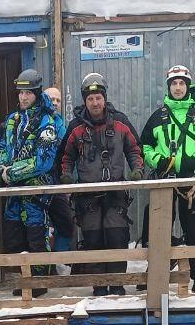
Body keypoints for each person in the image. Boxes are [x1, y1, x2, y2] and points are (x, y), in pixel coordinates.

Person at [139, 65, 195, 293]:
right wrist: (158, 161)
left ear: (188, 86)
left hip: (191, 180)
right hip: (164, 178)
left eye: (181, 83)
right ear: (169, 87)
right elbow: (144, 146)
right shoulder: (158, 116)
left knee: (192, 229)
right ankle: (156, 274)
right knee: (157, 228)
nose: (178, 88)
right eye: (174, 84)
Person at [59, 72, 144, 294]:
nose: (95, 102)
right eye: (90, 98)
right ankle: (98, 286)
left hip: (115, 194)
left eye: (98, 98)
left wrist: (137, 169)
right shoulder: (75, 127)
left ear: (104, 98)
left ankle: (116, 285)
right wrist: (66, 175)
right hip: (88, 197)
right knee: (93, 240)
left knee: (117, 237)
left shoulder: (120, 122)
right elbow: (66, 156)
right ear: (85, 100)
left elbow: (134, 149)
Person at [0, 69, 66, 286]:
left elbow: (43, 161)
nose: (23, 97)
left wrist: (12, 172)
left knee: (37, 237)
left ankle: (38, 285)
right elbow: (3, 147)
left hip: (37, 192)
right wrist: (3, 166)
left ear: (36, 93)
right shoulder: (13, 119)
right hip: (13, 193)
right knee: (14, 238)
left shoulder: (48, 121)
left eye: (28, 93)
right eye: (20, 92)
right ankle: (24, 283)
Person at [42, 85, 76, 257]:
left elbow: (69, 156)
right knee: (39, 228)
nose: (55, 103)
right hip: (38, 184)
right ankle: (44, 266)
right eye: (51, 99)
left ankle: (59, 261)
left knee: (66, 223)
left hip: (57, 184)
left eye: (58, 100)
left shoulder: (63, 126)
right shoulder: (36, 123)